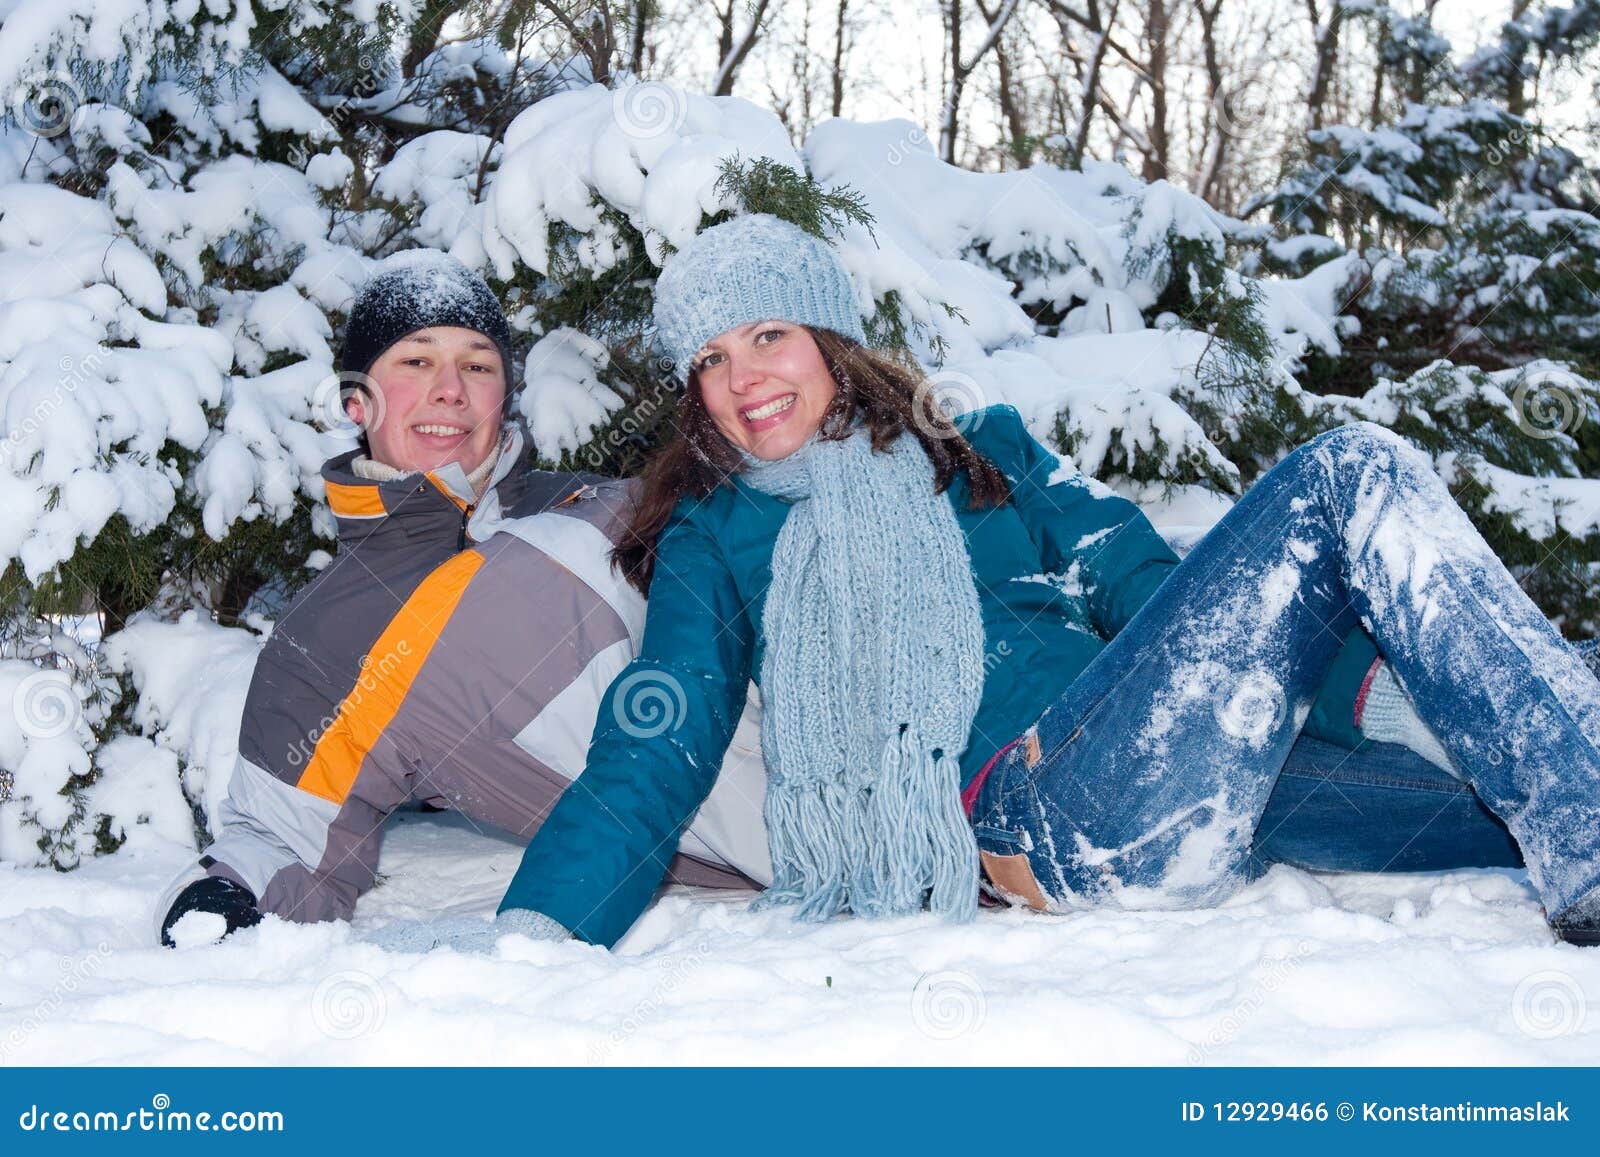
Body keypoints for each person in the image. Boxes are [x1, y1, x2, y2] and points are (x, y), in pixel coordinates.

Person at [489, 212, 1600, 951]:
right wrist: (533, 935)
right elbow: (651, 745)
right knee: (1347, 470)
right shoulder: (713, 533)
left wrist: (1365, 694)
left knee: (1514, 758)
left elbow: (1140, 579)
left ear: (829, 338)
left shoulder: (974, 443)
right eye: (709, 360)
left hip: (1194, 777)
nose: (743, 380)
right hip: (1040, 814)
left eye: (766, 334)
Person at [154, 252, 770, 947]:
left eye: (478, 366)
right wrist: (223, 897)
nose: (450, 390)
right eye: (416, 362)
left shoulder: (603, 501)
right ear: (357, 400)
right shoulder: (331, 635)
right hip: (774, 838)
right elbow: (278, 832)